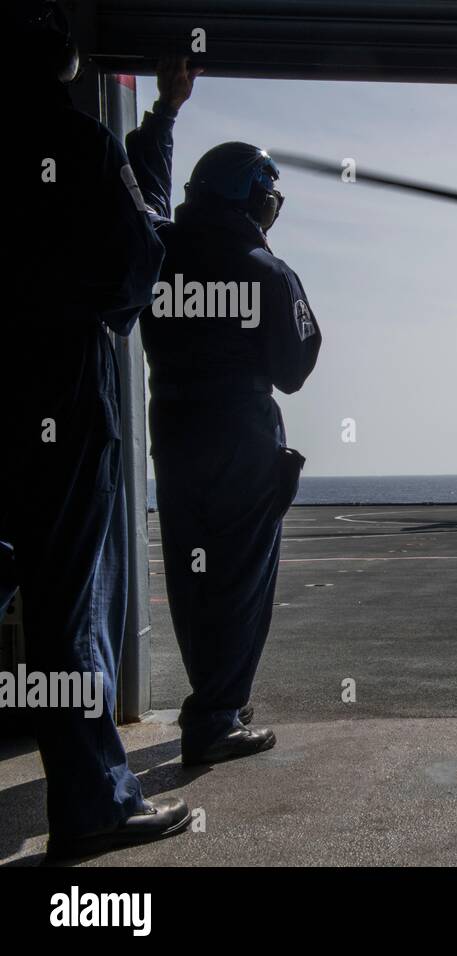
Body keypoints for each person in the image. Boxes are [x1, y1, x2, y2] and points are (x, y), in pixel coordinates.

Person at [0, 1, 191, 858]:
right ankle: (91, 804)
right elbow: (139, 250)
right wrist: (162, 118)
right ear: (65, 67)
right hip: (56, 384)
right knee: (66, 599)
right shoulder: (80, 144)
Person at [126, 60, 322, 766]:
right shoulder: (264, 269)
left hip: (174, 433)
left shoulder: (158, 244)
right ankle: (216, 718)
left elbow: (143, 187)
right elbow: (296, 369)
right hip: (239, 437)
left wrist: (164, 115)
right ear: (254, 199)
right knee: (240, 579)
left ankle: (213, 702)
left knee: (191, 572)